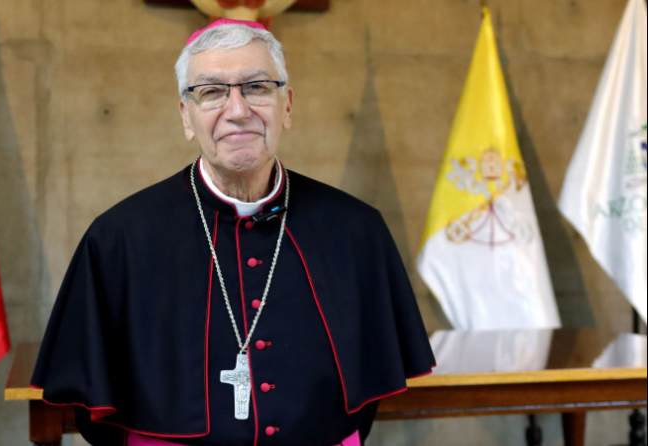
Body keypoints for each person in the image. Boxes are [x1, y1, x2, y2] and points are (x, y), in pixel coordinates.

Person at [31, 18, 436, 446]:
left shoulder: (356, 231)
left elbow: (367, 390)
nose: (238, 110)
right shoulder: (118, 239)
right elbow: (92, 406)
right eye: (211, 93)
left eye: (257, 87)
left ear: (288, 106)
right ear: (186, 117)